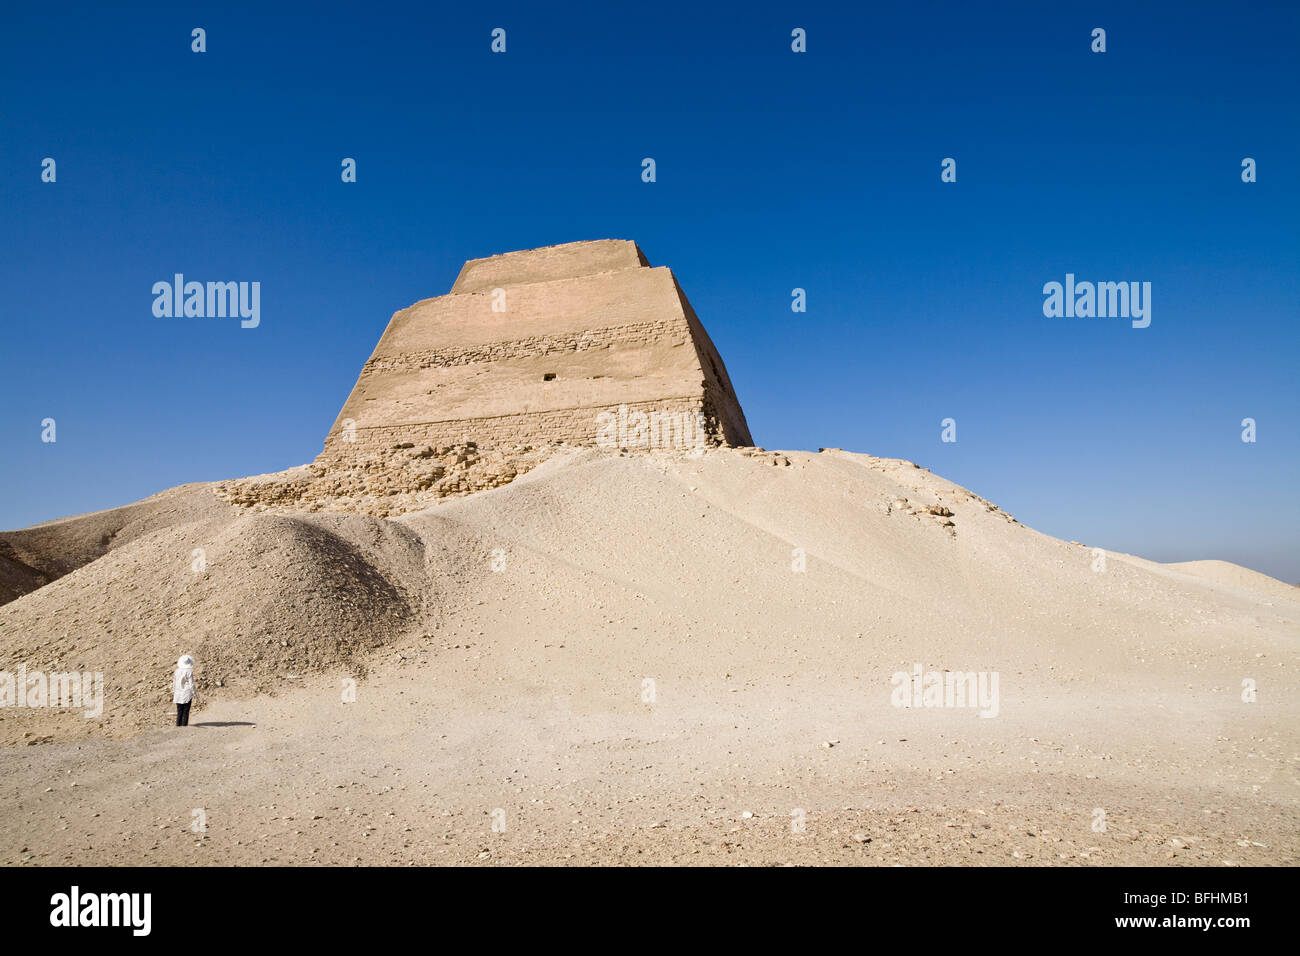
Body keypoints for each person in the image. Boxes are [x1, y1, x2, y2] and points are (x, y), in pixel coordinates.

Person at [173, 655, 195, 726]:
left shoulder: (176, 671)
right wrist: (194, 694)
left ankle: (178, 725)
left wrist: (175, 691)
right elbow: (191, 684)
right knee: (186, 711)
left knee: (179, 711)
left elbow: (174, 683)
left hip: (178, 693)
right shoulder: (189, 672)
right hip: (187, 693)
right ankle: (184, 725)